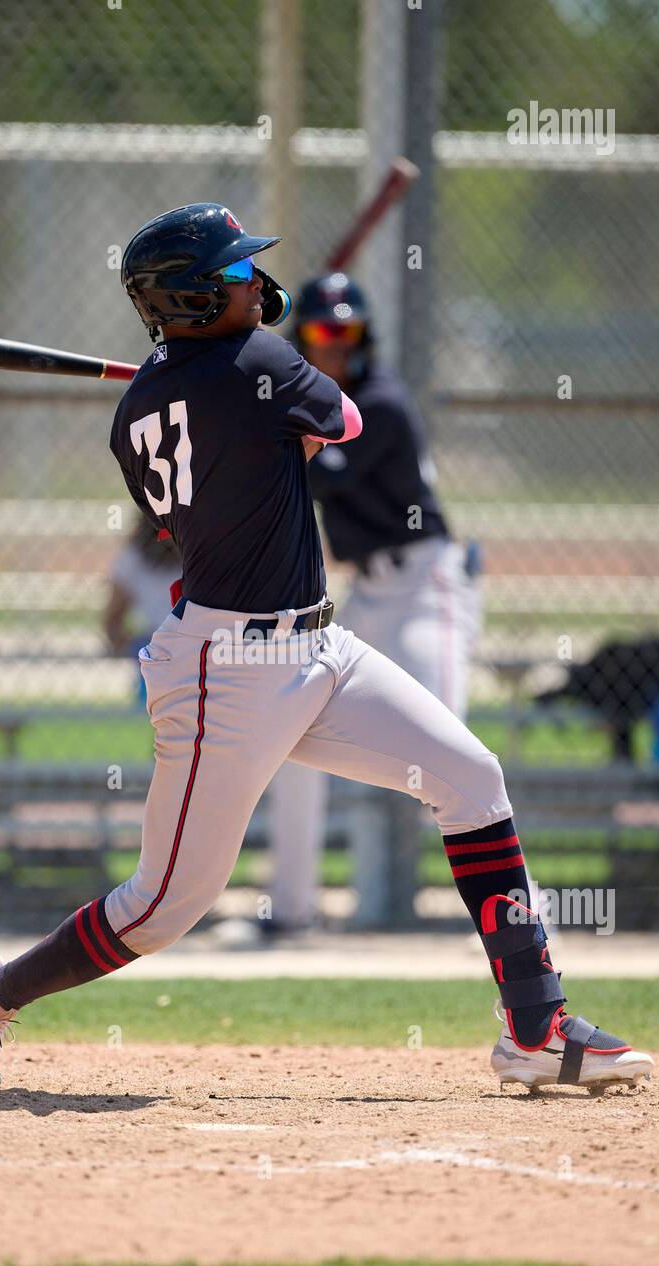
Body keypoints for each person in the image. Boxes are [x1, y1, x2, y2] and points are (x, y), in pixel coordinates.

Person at [0, 202, 652, 1096]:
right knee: (162, 907)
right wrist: (262, 397)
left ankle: (536, 1027)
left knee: (471, 778)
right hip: (224, 674)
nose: (256, 284)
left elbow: (210, 486)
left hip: (319, 647)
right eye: (234, 276)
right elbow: (343, 423)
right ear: (190, 300)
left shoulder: (139, 412)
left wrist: (240, 398)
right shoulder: (260, 364)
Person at [265, 273, 480, 936]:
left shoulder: (379, 403)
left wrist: (254, 406)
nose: (336, 344)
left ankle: (527, 929)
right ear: (302, 337)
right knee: (290, 736)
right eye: (323, 332)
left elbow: (309, 466)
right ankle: (292, 912)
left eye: (347, 330)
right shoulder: (313, 401)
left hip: (427, 589)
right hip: (366, 594)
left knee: (456, 757)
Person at [104, 514, 180, 705]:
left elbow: (112, 620)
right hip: (154, 643)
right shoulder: (134, 557)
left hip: (189, 639)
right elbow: (112, 620)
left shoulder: (197, 552)